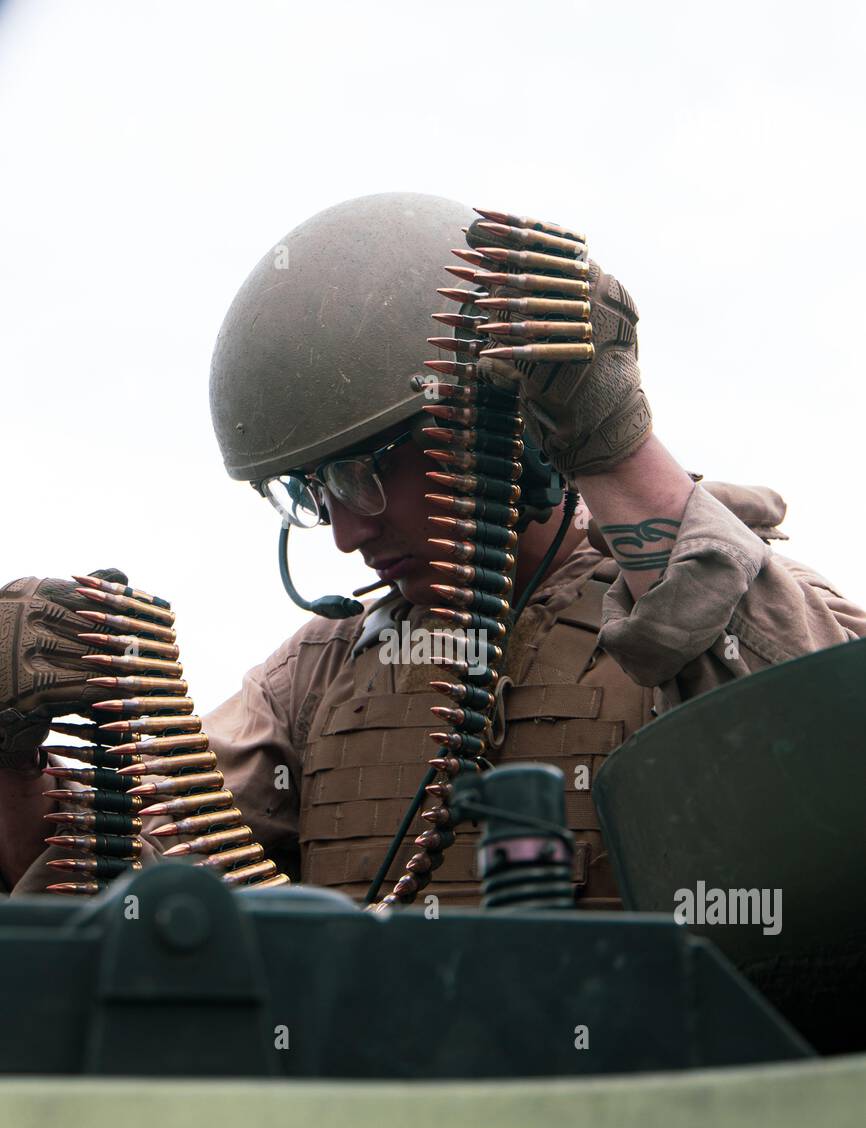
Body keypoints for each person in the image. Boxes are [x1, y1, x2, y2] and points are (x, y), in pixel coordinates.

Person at [2, 192, 864, 906]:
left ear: (498, 433)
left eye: (363, 473)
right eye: (313, 492)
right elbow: (125, 895)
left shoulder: (728, 598)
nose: (346, 532)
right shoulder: (316, 679)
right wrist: (14, 763)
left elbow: (831, 773)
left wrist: (615, 446)